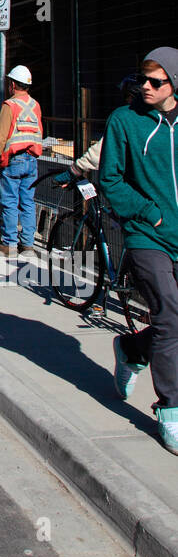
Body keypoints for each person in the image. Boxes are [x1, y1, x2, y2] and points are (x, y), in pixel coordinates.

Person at [99, 47, 178, 456]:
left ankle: (131, 349)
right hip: (147, 235)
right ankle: (171, 410)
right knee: (170, 312)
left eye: (156, 82)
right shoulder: (124, 121)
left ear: (174, 84)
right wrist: (149, 213)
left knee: (174, 323)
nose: (145, 87)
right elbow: (109, 178)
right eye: (142, 79)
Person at [0, 63, 43, 258]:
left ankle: (9, 244)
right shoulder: (35, 105)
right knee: (28, 201)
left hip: (13, 160)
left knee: (9, 201)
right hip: (32, 159)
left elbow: (2, 135)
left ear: (12, 85)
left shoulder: (9, 105)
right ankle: (28, 245)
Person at [70, 76, 137, 178]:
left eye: (127, 96)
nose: (126, 100)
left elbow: (104, 148)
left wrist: (76, 169)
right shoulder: (161, 117)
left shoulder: (125, 117)